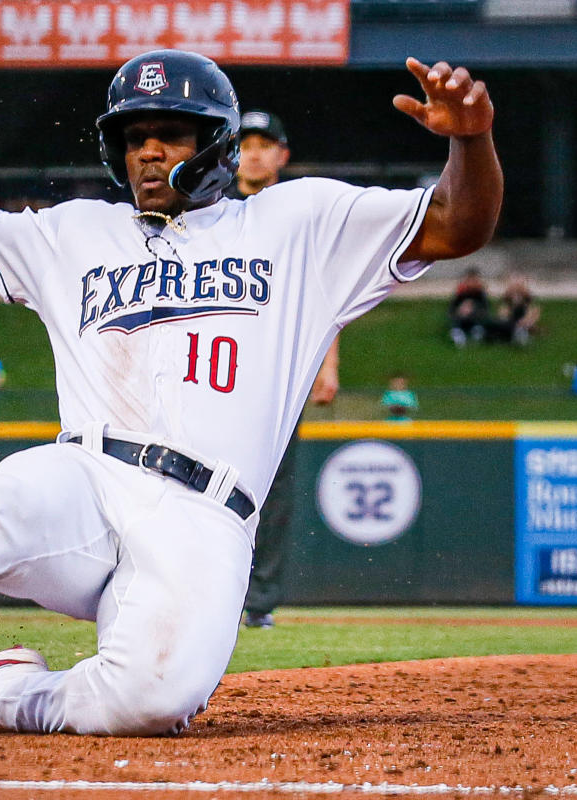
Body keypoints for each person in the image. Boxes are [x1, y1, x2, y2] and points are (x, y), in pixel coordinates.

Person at [0, 49, 502, 736]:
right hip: (87, 478)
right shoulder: (79, 231)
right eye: (132, 136)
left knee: (152, 702)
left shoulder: (297, 224)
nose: (147, 150)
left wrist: (471, 141)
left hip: (204, 516)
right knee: (3, 505)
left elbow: (456, 224)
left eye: (169, 133)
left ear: (216, 143)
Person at [224, 109, 339, 628]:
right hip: (213, 365)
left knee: (269, 493)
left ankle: (258, 603)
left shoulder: (298, 216)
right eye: (246, 142)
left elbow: (327, 294)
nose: (254, 151)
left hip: (278, 374)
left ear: (282, 155)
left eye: (265, 143)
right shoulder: (209, 208)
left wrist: (327, 363)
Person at [447, 267, 491, 347]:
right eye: (469, 280)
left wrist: (474, 309)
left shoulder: (480, 294)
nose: (471, 282)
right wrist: (460, 310)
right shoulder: (461, 294)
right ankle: (458, 335)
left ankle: (477, 335)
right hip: (461, 319)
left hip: (476, 319)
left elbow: (485, 310)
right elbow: (452, 310)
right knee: (457, 324)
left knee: (480, 325)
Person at [495, 271, 541, 345]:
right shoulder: (506, 300)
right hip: (510, 322)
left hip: (523, 322)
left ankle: (519, 333)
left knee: (524, 326)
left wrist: (526, 320)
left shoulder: (528, 299)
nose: (517, 287)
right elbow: (502, 313)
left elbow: (533, 311)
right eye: (514, 284)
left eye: (519, 284)